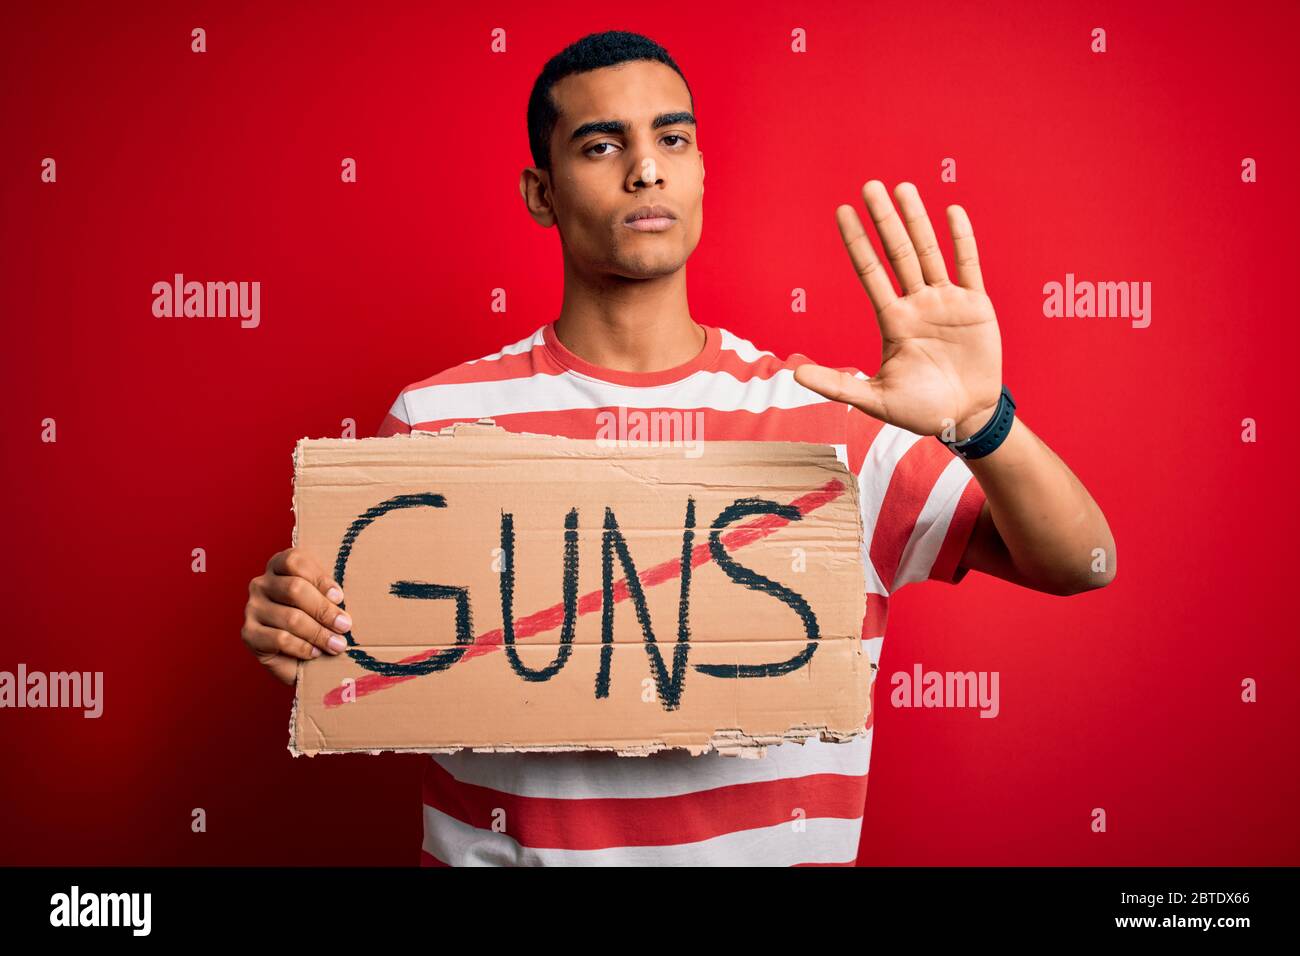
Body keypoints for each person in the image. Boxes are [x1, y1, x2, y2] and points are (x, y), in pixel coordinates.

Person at [241, 30, 1115, 865]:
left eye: (672, 138)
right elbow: (360, 656)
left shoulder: (829, 418)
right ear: (540, 192)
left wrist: (983, 420)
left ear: (701, 172)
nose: (646, 167)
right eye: (599, 145)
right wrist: (304, 627)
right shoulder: (437, 419)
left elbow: (1084, 562)